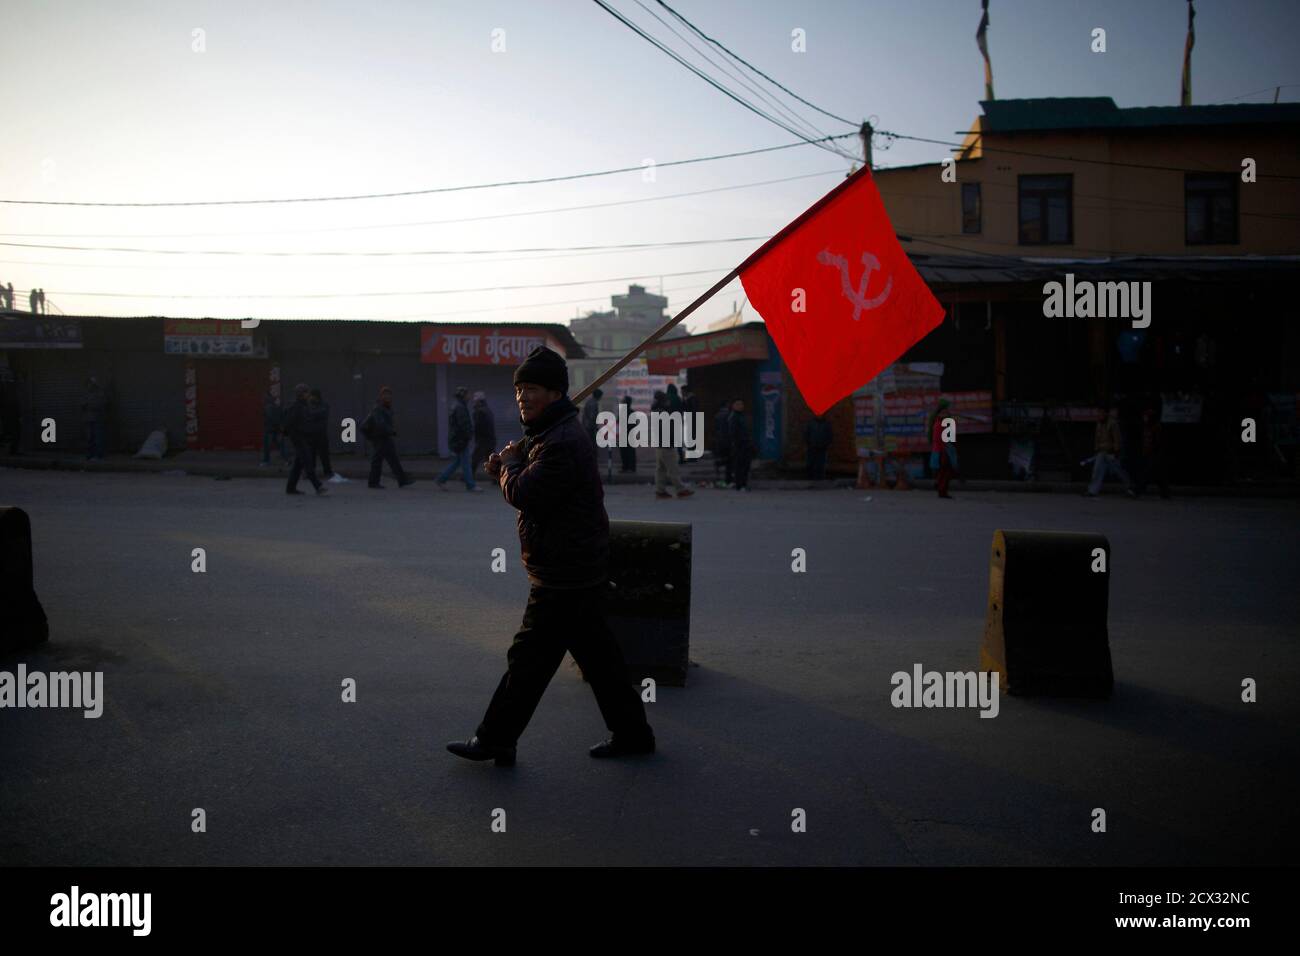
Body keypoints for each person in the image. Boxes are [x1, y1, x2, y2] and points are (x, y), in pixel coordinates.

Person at [447, 345, 655, 766]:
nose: (523, 396)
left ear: (556, 394)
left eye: (534, 389)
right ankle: (633, 734)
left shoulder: (561, 442)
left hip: (564, 576)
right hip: (575, 569)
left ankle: (495, 738)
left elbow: (527, 494)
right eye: (520, 389)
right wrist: (510, 462)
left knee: (528, 661)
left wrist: (508, 469)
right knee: (600, 661)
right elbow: (529, 476)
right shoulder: (549, 435)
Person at [362, 386, 414, 489]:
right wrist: (391, 431)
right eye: (385, 395)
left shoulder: (385, 407)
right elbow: (380, 424)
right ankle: (375, 482)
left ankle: (401, 480)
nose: (387, 397)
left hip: (383, 437)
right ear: (381, 396)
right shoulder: (378, 408)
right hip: (380, 438)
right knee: (382, 461)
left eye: (389, 395)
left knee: (389, 459)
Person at [282, 383, 326, 496]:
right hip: (300, 439)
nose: (308, 394)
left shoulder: (303, 406)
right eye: (306, 392)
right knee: (307, 463)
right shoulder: (297, 407)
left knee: (298, 465)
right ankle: (318, 486)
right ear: (302, 394)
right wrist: (298, 435)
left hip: (303, 438)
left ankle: (290, 488)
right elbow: (292, 424)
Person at [436, 385, 480, 491]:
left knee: (458, 462)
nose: (469, 397)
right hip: (460, 439)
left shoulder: (457, 405)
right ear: (463, 395)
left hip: (457, 439)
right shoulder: (460, 407)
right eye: (467, 394)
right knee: (465, 463)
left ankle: (441, 479)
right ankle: (470, 485)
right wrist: (469, 435)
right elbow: (463, 424)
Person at [651, 390, 692, 499]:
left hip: (659, 445)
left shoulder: (655, 410)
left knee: (661, 470)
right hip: (667, 445)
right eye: (667, 400)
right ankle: (680, 489)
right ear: (664, 401)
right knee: (673, 468)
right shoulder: (664, 413)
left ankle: (660, 491)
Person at [1087, 405, 1135, 497]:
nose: (1099, 414)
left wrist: (1116, 452)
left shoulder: (1113, 424)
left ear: (1106, 413)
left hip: (1111, 452)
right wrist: (1096, 449)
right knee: (1097, 471)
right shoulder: (1099, 423)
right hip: (1102, 451)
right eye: (1099, 412)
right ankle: (1092, 491)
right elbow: (1097, 438)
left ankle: (1130, 488)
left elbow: (1117, 439)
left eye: (1101, 412)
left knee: (1119, 471)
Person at [307, 388, 345, 483]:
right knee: (311, 455)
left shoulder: (323, 405)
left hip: (321, 434)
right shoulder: (310, 405)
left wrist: (311, 414)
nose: (311, 397)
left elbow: (318, 414)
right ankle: (312, 473)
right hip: (311, 434)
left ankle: (327, 472)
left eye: (312, 396)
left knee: (324, 455)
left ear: (316, 396)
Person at [1134, 403, 1171, 499]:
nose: (1144, 418)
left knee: (1146, 473)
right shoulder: (1146, 427)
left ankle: (1138, 491)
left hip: (1154, 454)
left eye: (1146, 417)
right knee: (1157, 475)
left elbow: (1158, 442)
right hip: (1148, 453)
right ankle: (1165, 492)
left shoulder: (1156, 427)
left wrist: (1156, 452)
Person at [929, 398, 957, 498]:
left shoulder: (945, 422)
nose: (947, 413)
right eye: (944, 411)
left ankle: (941, 488)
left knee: (945, 472)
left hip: (944, 449)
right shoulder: (939, 424)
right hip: (942, 450)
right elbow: (939, 438)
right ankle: (942, 490)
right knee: (944, 472)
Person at [729, 398, 754, 492]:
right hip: (739, 445)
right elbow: (734, 432)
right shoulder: (734, 417)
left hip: (744, 444)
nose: (741, 406)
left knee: (744, 466)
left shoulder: (741, 416)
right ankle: (740, 484)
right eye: (738, 404)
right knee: (740, 466)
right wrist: (736, 443)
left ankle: (742, 483)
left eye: (741, 404)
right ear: (733, 406)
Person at [470, 391, 496, 479]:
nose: (474, 402)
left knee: (475, 459)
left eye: (475, 401)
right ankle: (496, 479)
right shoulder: (487, 409)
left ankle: (469, 477)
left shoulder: (479, 411)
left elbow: (478, 426)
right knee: (491, 460)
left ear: (479, 401)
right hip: (489, 439)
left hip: (483, 440)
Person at [260, 389, 288, 467]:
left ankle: (266, 461)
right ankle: (286, 460)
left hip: (270, 429)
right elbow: (281, 416)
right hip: (276, 429)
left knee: (267, 446)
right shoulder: (276, 405)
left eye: (265, 396)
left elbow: (271, 418)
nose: (263, 398)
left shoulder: (268, 406)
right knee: (281, 446)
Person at [82, 377, 107, 461]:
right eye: (89, 384)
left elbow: (100, 405)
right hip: (89, 419)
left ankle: (98, 455)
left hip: (97, 419)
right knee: (90, 438)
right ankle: (90, 455)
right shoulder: (87, 394)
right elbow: (83, 405)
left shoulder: (99, 394)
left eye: (92, 384)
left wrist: (90, 405)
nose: (90, 386)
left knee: (97, 438)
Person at [805, 413, 833, 480]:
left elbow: (829, 436)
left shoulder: (826, 424)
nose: (819, 415)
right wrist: (809, 443)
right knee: (811, 463)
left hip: (822, 447)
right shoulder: (811, 423)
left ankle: (820, 478)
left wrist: (826, 444)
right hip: (812, 447)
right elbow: (806, 434)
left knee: (821, 464)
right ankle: (810, 478)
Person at [713, 400, 732, 487]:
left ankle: (718, 474)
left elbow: (716, 428)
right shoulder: (730, 415)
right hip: (728, 439)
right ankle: (728, 478)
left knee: (720, 457)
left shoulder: (717, 415)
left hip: (719, 439)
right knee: (729, 460)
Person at [618, 395, 636, 472]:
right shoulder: (631, 412)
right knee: (630, 452)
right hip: (630, 435)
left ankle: (626, 467)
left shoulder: (623, 411)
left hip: (624, 435)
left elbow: (618, 422)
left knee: (625, 452)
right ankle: (631, 468)